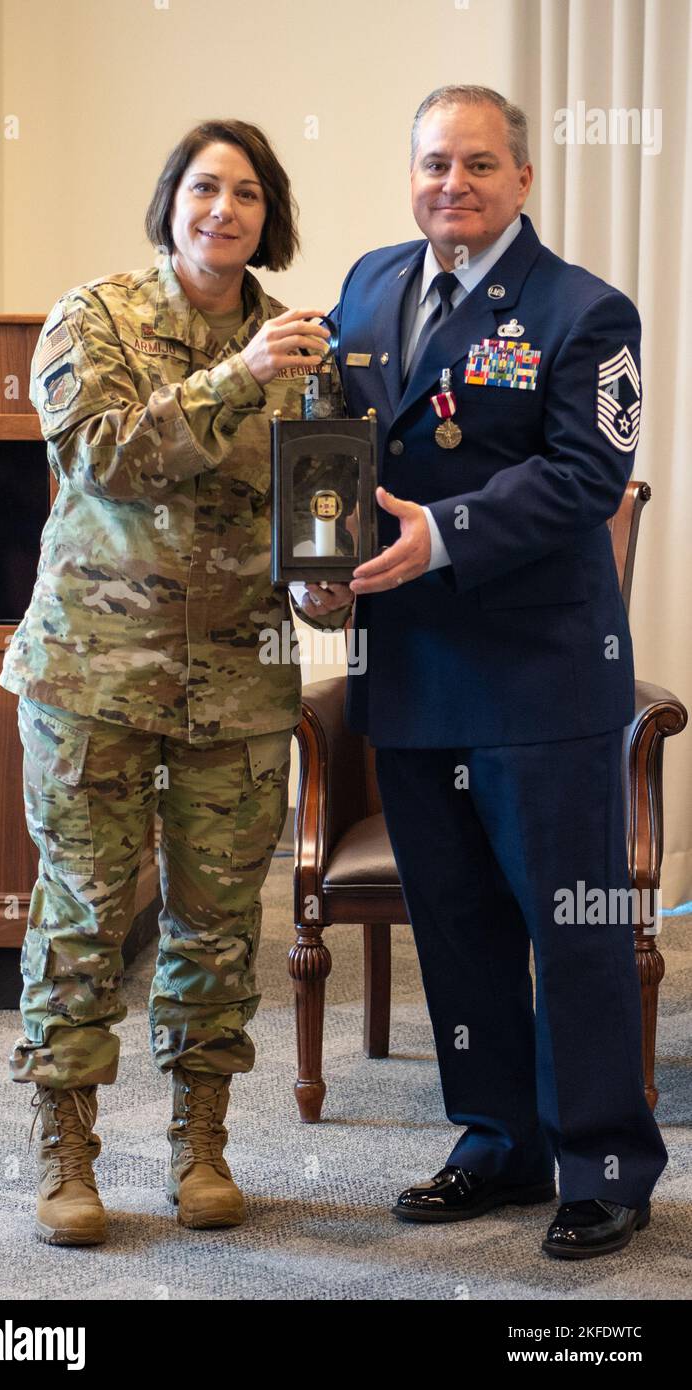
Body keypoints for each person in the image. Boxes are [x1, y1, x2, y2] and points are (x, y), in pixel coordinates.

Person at [323, 85, 668, 1260]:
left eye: (476, 164)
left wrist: (447, 534)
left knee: (569, 924)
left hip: (540, 676)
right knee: (459, 925)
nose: (450, 184)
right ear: (409, 174)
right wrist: (312, 563)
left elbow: (588, 475)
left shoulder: (586, 313)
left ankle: (602, 1160)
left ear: (522, 179)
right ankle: (496, 1139)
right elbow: (333, 446)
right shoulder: (368, 286)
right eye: (431, 163)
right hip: (413, 666)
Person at [0, 119, 351, 1245]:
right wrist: (236, 376)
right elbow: (103, 452)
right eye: (204, 187)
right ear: (171, 201)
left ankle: (200, 1142)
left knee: (212, 927)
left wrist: (323, 588)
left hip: (239, 688)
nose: (223, 210)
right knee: (84, 918)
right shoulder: (92, 316)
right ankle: (67, 1148)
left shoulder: (311, 355)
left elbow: (318, 517)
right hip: (92, 678)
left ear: (269, 216)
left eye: (247, 193)